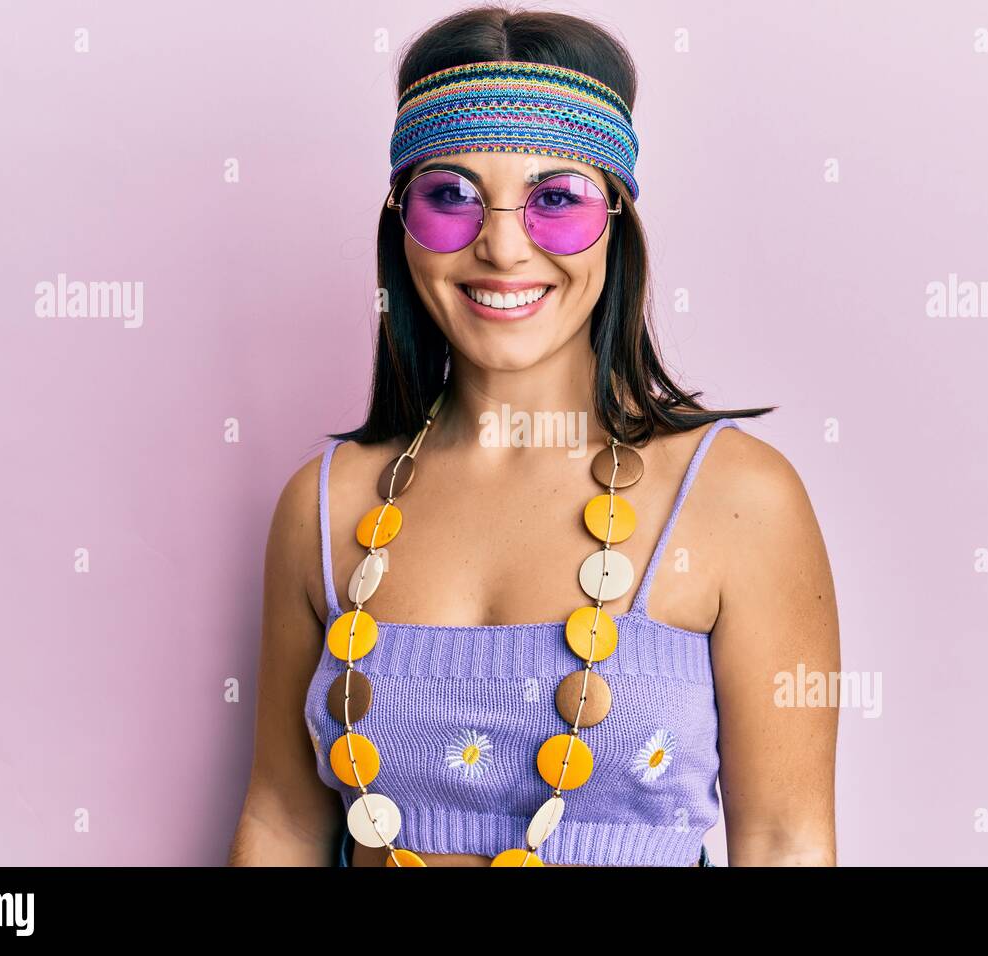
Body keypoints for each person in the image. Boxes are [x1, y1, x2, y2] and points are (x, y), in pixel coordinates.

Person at [231, 4, 839, 868]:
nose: (503, 248)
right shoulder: (324, 505)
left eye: (556, 199)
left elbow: (786, 842)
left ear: (617, 219)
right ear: (402, 223)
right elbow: (283, 825)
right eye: (451, 196)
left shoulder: (740, 499)